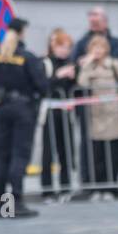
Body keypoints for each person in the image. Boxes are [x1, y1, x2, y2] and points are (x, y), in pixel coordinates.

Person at [0, 21, 47, 219]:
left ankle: (3, 206)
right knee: (19, 156)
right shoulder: (27, 57)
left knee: (1, 157)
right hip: (22, 109)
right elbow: (41, 84)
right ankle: (17, 204)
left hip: (1, 108)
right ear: (22, 34)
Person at [76, 32, 118, 190]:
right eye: (94, 47)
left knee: (113, 150)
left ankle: (111, 186)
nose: (97, 50)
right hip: (96, 115)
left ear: (106, 49)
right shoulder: (89, 65)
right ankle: (98, 186)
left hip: (113, 114)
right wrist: (87, 64)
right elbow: (82, 83)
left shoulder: (113, 65)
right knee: (97, 152)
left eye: (100, 47)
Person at [41, 29, 77, 197]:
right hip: (49, 111)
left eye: (67, 47)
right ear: (53, 47)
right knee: (48, 151)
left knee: (66, 150)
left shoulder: (70, 63)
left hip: (65, 111)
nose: (64, 51)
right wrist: (59, 75)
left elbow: (73, 89)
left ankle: (65, 186)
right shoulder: (46, 63)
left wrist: (72, 78)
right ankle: (47, 189)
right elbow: (43, 85)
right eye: (61, 47)